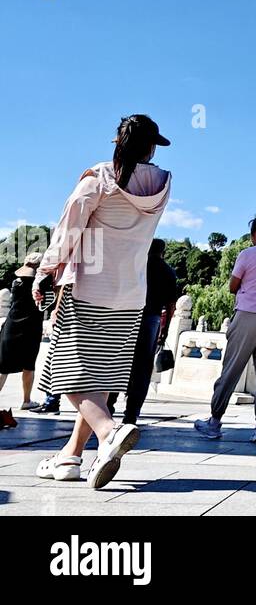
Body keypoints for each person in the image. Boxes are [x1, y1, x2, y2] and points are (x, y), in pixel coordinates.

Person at [32, 114, 172, 488]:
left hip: (89, 285)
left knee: (70, 374)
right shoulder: (162, 184)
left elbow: (69, 228)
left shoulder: (99, 177)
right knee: (101, 377)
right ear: (152, 146)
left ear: (117, 142)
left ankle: (109, 432)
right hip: (131, 293)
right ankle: (70, 458)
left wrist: (47, 270)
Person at [195, 214, 256, 444]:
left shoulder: (247, 254)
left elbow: (232, 286)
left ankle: (215, 422)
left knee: (231, 370)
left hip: (248, 316)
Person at [107, 239, 180, 425]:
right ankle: (131, 414)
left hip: (129, 316)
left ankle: (108, 405)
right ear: (163, 252)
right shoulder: (168, 271)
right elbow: (171, 306)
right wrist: (166, 329)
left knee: (119, 362)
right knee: (142, 369)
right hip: (152, 320)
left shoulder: (136, 266)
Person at [0, 251, 47, 417]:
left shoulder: (15, 279)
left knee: (3, 365)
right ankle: (26, 401)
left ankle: (26, 400)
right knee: (29, 365)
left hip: (11, 324)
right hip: (31, 326)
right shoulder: (41, 282)